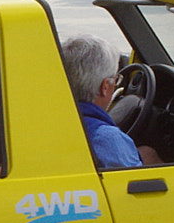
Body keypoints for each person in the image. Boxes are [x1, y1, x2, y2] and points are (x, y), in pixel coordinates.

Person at [61, 33, 151, 170]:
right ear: (105, 87)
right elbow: (140, 184)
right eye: (116, 79)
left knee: (148, 152)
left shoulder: (51, 118)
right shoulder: (106, 138)